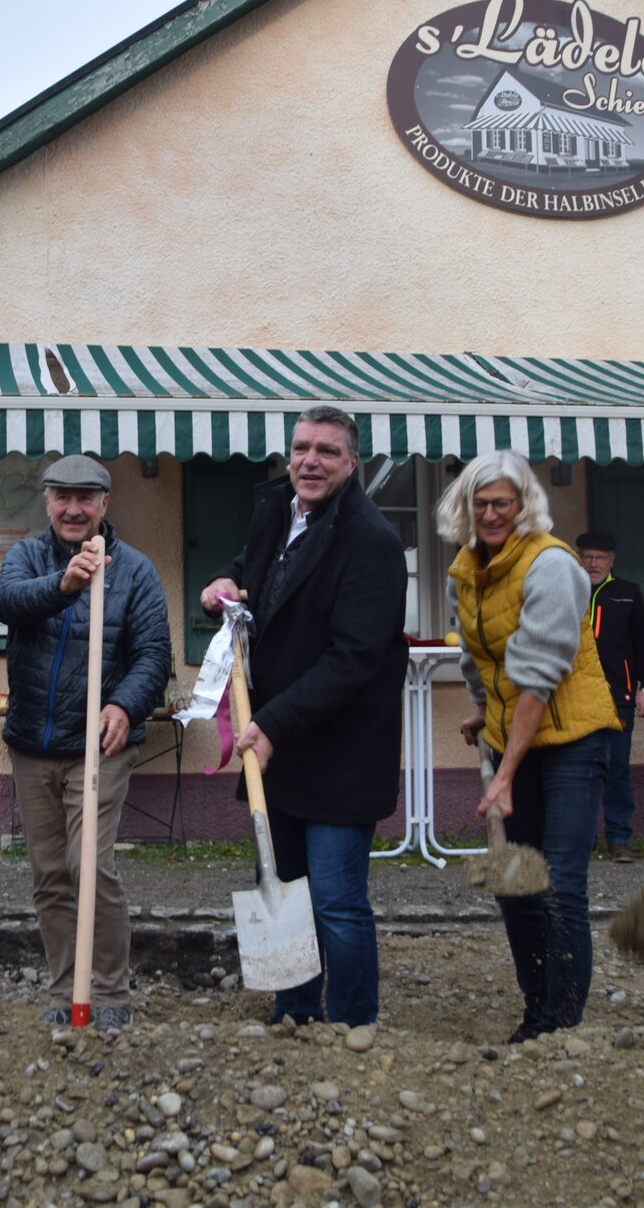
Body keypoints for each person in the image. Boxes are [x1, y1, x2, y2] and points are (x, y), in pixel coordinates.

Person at [200, 405, 407, 1030]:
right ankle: (294, 1009)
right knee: (282, 885)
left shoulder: (372, 541)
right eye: (301, 449)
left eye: (326, 451)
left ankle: (352, 1021)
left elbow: (354, 658)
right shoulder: (280, 513)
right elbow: (252, 573)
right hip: (281, 744)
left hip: (341, 749)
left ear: (352, 463)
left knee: (339, 902)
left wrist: (273, 724)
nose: (309, 461)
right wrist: (225, 582)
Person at [0, 455, 172, 1030]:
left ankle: (111, 991)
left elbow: (153, 655)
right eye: (62, 497)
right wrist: (66, 584)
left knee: (89, 865)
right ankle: (65, 987)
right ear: (47, 503)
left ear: (104, 505)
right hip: (31, 742)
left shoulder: (136, 572)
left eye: (85, 498)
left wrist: (125, 703)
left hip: (98, 744)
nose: (73, 509)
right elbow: (7, 604)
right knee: (49, 873)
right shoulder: (26, 557)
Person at [447, 454, 620, 1041]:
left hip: (570, 737)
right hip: (511, 733)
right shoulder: (468, 570)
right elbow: (479, 657)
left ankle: (563, 1022)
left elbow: (537, 678)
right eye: (481, 502)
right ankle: (536, 1012)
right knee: (516, 883)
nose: (491, 513)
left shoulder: (551, 565)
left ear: (525, 507)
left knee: (560, 883)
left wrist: (504, 774)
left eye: (503, 502)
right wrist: (480, 709)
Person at [576, 530, 644, 864]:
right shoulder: (568, 591)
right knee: (578, 769)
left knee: (617, 768)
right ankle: (582, 839)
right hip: (576, 698)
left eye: (600, 557)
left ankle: (619, 837)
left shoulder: (628, 593)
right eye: (588, 557)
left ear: (612, 560)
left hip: (618, 698)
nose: (593, 563)